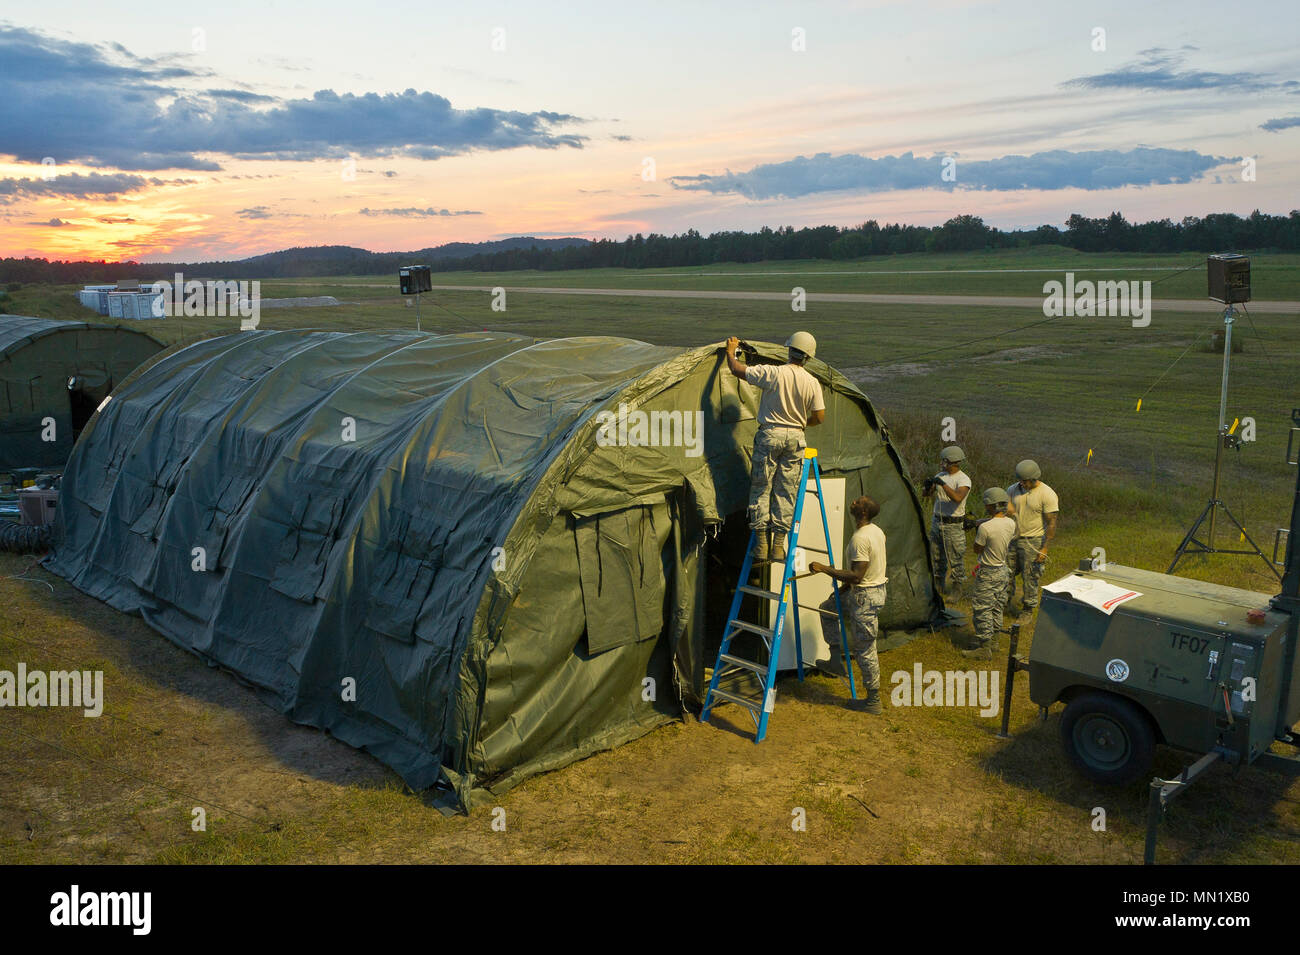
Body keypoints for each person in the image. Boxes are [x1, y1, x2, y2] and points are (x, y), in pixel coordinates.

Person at [725, 332, 825, 564]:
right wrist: (801, 424)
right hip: (796, 438)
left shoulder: (774, 373)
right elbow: (819, 417)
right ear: (808, 357)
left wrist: (731, 353)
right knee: (786, 489)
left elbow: (738, 371)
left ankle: (761, 544)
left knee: (762, 486)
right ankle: (779, 546)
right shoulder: (812, 382)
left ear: (789, 350)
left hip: (771, 434)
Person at [809, 496, 887, 714]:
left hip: (865, 596)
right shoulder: (876, 531)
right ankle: (835, 659)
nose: (854, 501)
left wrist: (824, 568)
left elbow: (856, 575)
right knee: (828, 607)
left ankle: (873, 700)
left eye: (859, 502)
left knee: (865, 648)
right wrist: (843, 589)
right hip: (862, 591)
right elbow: (867, 570)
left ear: (863, 512)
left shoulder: (861, 538)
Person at [963, 487, 1017, 660]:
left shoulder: (985, 528)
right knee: (996, 607)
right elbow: (999, 524)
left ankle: (984, 648)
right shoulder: (1011, 523)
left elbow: (977, 549)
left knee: (982, 609)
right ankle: (994, 642)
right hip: (1003, 570)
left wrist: (978, 526)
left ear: (990, 505)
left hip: (988, 572)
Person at [1006, 459, 1059, 614]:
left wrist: (1044, 548)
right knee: (1007, 574)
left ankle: (1028, 610)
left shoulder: (1047, 494)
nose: (1021, 484)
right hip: (1012, 539)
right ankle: (1006, 604)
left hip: (1033, 541)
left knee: (1030, 576)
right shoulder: (1012, 489)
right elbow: (1006, 510)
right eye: (1020, 480)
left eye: (1025, 481)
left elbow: (1052, 523)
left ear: (1034, 478)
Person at [923, 446, 971, 596]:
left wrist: (942, 484)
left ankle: (957, 590)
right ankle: (939, 586)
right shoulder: (941, 475)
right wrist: (928, 486)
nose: (941, 464)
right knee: (937, 557)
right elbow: (927, 495)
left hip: (954, 524)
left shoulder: (963, 479)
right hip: (937, 521)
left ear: (952, 462)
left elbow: (957, 498)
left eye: (944, 461)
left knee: (955, 558)